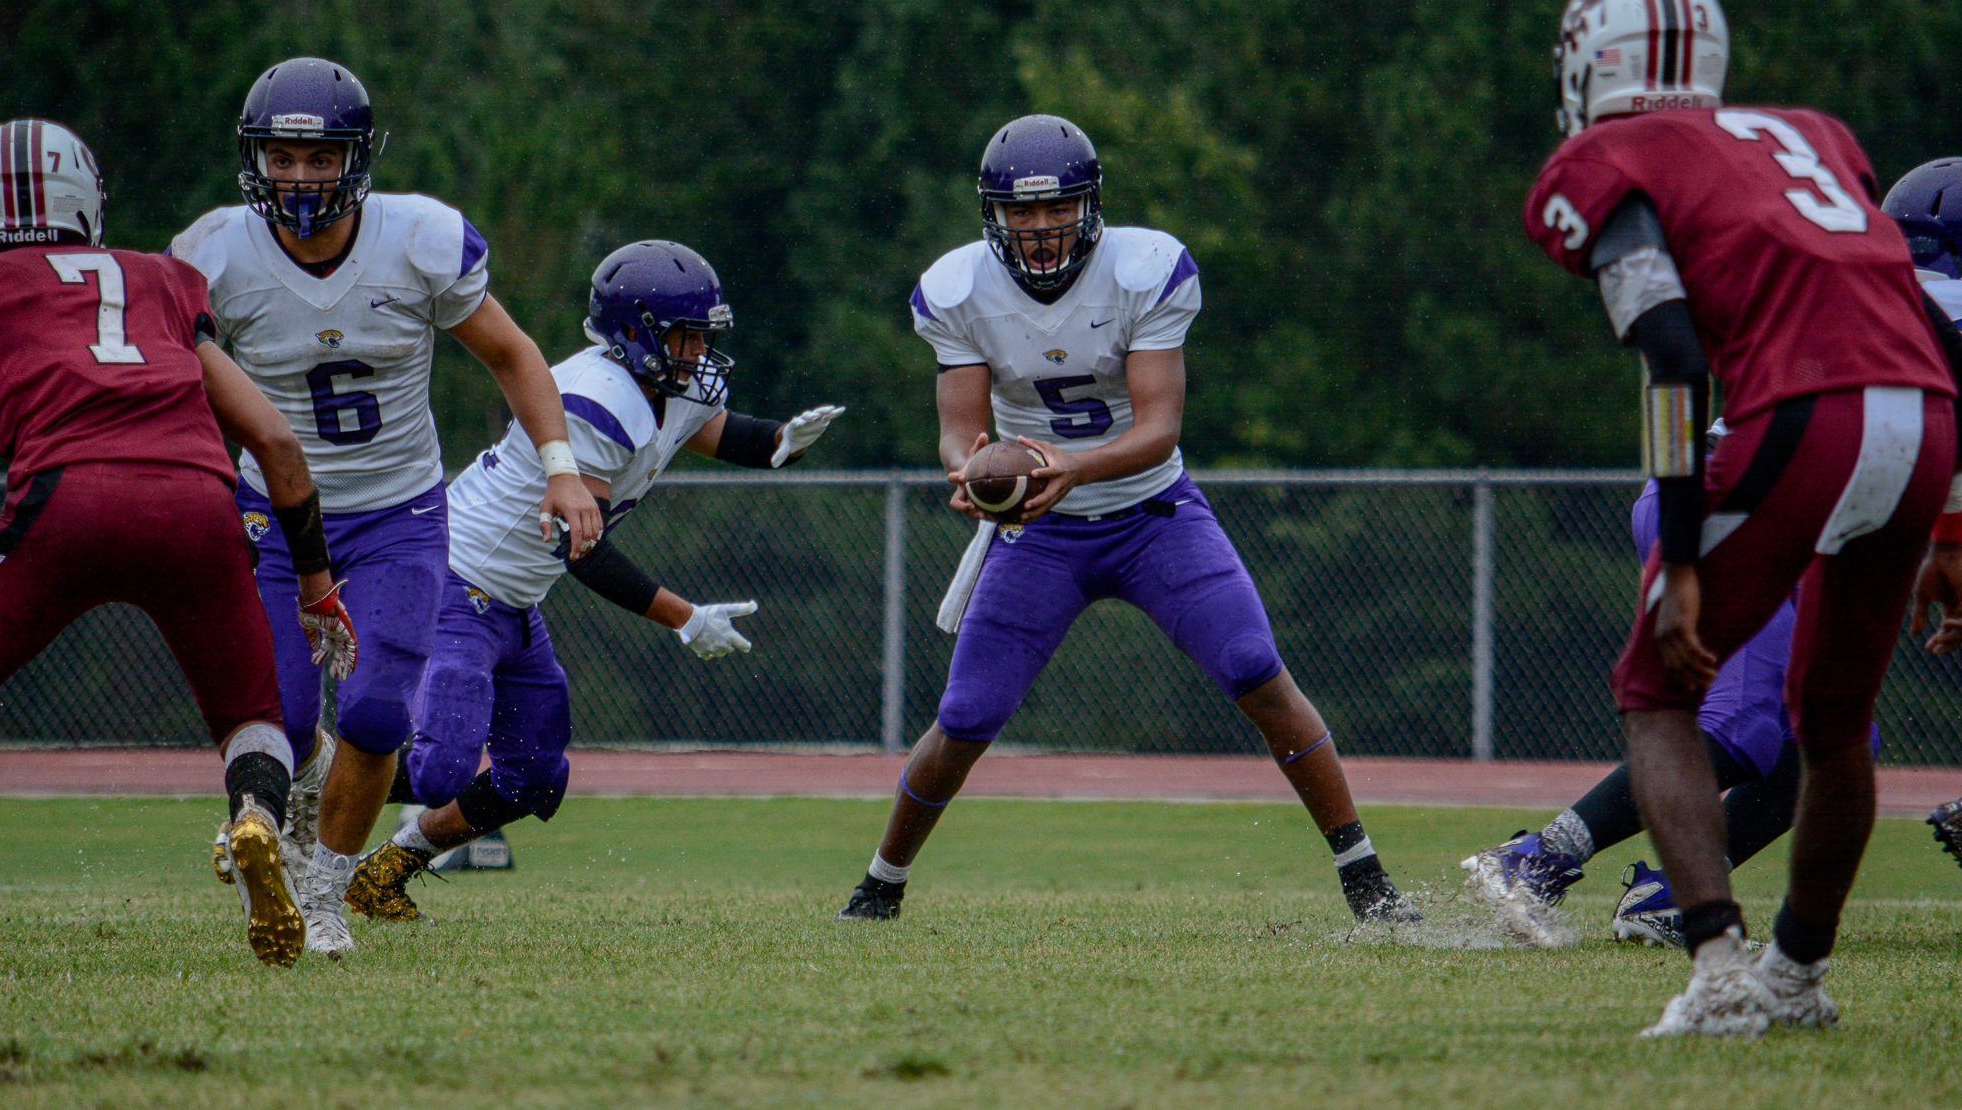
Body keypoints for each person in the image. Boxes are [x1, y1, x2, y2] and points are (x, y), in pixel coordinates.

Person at [833, 114, 1417, 926]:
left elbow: (1159, 429)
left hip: (1154, 515)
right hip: (1040, 533)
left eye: (1057, 207)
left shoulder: (1145, 270)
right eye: (1021, 211)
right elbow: (957, 428)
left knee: (1255, 667)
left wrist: (1072, 467)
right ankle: (879, 886)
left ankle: (1367, 879)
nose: (1040, 227)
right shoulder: (958, 290)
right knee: (965, 714)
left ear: (1091, 204)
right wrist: (968, 469)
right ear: (993, 215)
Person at [1526, 0, 1962, 1035]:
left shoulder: (1602, 162)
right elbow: (1928, 333)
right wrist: (1950, 522)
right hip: (1923, 417)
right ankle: (1794, 978)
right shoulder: (1811, 136)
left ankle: (1720, 974)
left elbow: (1674, 361)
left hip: (1800, 415)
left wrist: (1679, 554)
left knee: (1655, 693)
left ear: (1591, 65)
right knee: (1833, 723)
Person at [171, 58, 601, 958]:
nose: (299, 178)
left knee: (374, 714)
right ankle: (287, 806)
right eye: (281, 159)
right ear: (253, 159)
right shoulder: (213, 255)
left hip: (396, 514)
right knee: (283, 718)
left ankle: (324, 892)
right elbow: (179, 384)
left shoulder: (417, 240)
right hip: (275, 519)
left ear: (357, 158)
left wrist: (561, 467)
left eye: (320, 157)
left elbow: (514, 354)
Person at [0, 120, 357, 968]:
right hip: (197, 502)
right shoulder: (159, 277)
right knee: (252, 714)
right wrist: (317, 587)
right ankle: (255, 816)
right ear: (88, 203)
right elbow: (277, 442)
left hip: (68, 501)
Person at [346, 241, 844, 919]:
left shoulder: (668, 388)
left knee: (532, 776)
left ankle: (384, 871)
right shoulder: (594, 398)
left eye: (704, 335)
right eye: (686, 335)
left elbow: (729, 436)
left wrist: (784, 441)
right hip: (457, 584)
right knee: (441, 772)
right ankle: (303, 787)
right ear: (636, 333)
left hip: (514, 600)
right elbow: (585, 551)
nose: (699, 350)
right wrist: (684, 616)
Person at [1462, 433, 1832, 949]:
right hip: (1726, 496)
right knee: (1741, 724)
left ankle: (1672, 894)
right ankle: (1538, 857)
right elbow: (1674, 392)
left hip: (1799, 519)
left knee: (1826, 736)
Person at [1877, 158, 1962, 863]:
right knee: (1777, 739)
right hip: (1767, 511)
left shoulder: (1864, 292)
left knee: (1814, 742)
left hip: (1717, 493)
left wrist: (1950, 538)